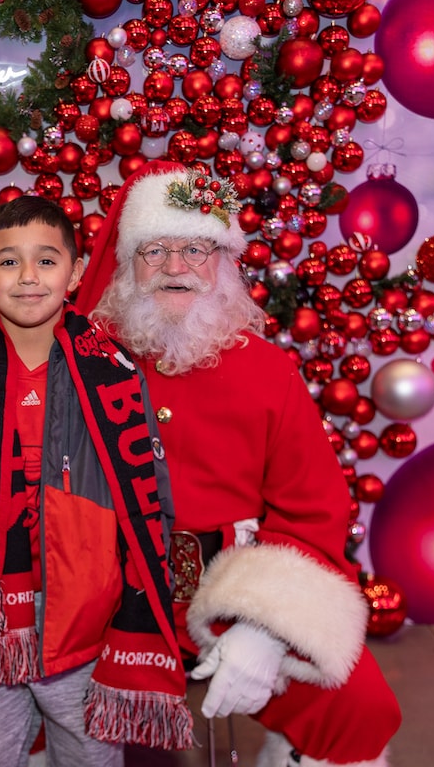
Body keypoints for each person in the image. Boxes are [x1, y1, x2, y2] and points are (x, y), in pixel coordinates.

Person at [75, 160, 402, 767]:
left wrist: (264, 625)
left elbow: (314, 511)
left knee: (357, 708)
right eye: (155, 250)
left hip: (224, 596)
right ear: (126, 265)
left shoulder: (268, 372)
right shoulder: (84, 363)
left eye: (195, 249)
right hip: (105, 598)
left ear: (223, 262)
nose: (175, 268)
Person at [0, 195, 192, 767]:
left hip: (87, 626)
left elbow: (148, 502)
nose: (28, 276)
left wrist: (127, 609)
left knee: (89, 759)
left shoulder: (114, 373)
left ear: (75, 272)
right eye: (8, 261)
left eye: (47, 260)